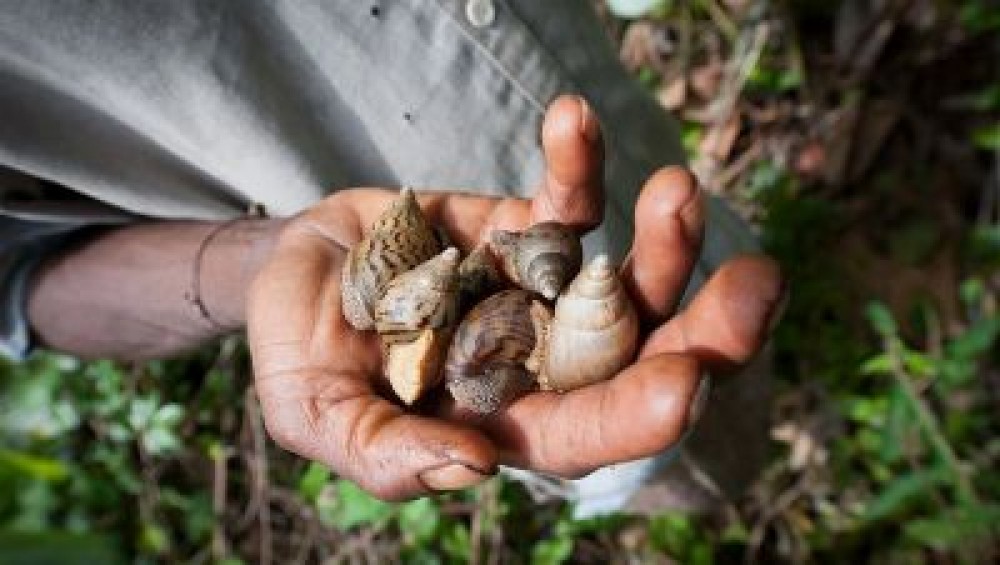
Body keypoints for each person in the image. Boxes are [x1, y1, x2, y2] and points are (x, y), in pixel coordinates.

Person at [0, 1, 784, 517]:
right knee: (684, 442)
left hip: (561, 81)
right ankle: (737, 484)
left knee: (687, 230)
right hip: (514, 326)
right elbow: (17, 273)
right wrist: (266, 258)